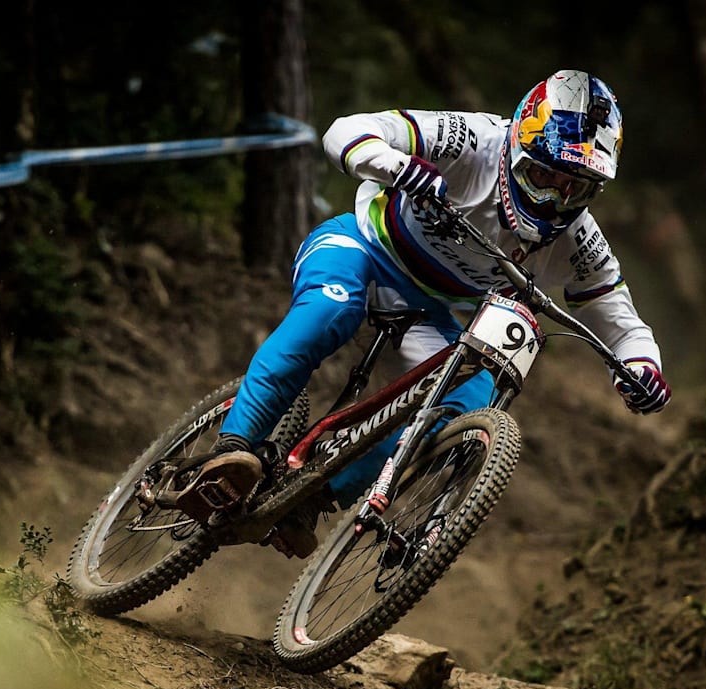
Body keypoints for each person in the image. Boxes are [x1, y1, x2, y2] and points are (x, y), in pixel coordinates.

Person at [176, 70, 671, 557]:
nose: (555, 198)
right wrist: (395, 166)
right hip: (362, 248)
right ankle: (231, 449)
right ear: (520, 145)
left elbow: (619, 318)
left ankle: (311, 499)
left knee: (465, 399)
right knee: (330, 311)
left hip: (425, 306)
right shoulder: (473, 140)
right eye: (545, 174)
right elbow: (344, 131)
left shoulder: (579, 239)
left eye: (576, 187)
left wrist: (643, 367)